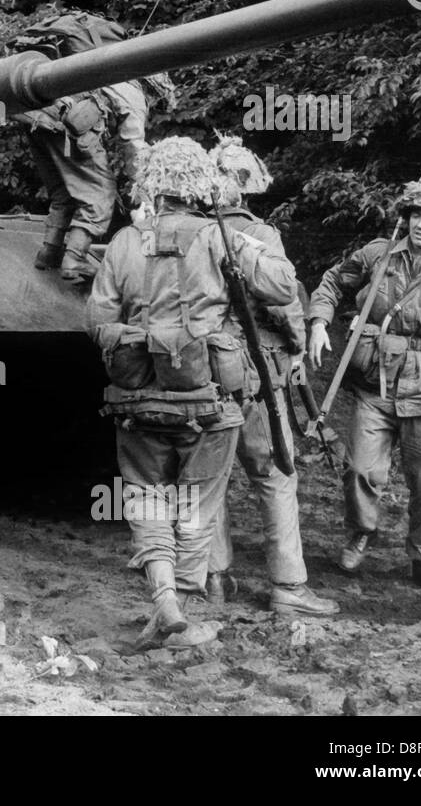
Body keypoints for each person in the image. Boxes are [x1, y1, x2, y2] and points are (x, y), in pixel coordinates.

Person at [87, 137, 297, 649]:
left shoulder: (122, 242)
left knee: (147, 500)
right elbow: (284, 286)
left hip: (138, 398)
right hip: (209, 402)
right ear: (201, 185)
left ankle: (164, 603)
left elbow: (96, 321)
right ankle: (184, 604)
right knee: (198, 505)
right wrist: (241, 246)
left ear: (152, 187)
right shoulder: (218, 237)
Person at [308, 179, 421, 593]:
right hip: (375, 388)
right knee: (360, 469)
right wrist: (319, 322)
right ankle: (361, 532)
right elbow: (333, 282)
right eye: (415, 214)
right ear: (405, 218)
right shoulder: (378, 257)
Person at [205, 136, 338, 615]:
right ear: (244, 187)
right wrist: (297, 346)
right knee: (275, 474)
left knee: (210, 481)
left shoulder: (182, 232)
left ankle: (214, 579)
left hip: (202, 373)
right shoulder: (259, 234)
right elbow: (284, 298)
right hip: (256, 372)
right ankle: (287, 588)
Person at [8, 14, 174, 281]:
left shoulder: (105, 69)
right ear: (154, 89)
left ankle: (49, 252)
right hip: (71, 125)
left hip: (38, 119)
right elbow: (133, 149)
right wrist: (144, 191)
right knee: (100, 193)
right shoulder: (134, 93)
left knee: (64, 191)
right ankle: (74, 259)